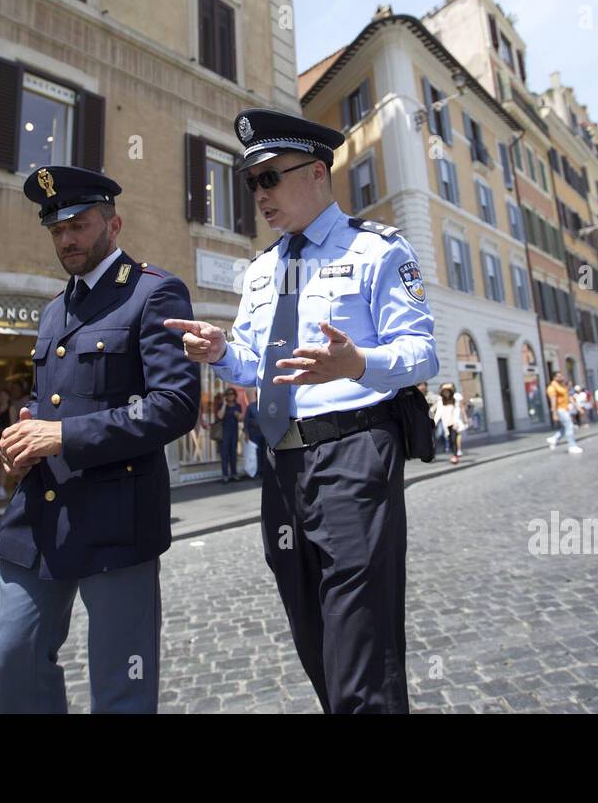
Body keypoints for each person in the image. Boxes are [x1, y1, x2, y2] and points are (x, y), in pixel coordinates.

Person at [164, 108, 438, 713]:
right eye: (251, 182)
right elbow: (251, 364)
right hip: (281, 464)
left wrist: (357, 364)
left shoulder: (377, 251)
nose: (259, 194)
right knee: (312, 630)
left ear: (316, 172)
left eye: (270, 178)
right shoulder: (261, 270)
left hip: (353, 453)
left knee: (359, 636)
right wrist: (219, 352)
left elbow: (421, 353)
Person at [0, 165, 200, 714]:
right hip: (39, 514)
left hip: (117, 516)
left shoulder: (154, 293)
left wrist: (61, 435)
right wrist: (24, 438)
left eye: (78, 225)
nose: (66, 240)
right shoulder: (55, 308)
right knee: (13, 654)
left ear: (114, 224)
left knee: (121, 683)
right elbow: (52, 401)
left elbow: (175, 406)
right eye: (57, 231)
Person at [546, 372, 582, 454]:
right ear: (554, 377)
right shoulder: (552, 388)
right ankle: (572, 446)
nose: (561, 377)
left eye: (561, 376)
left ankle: (554, 439)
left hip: (565, 408)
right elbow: (553, 401)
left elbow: (569, 397)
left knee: (566, 427)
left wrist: (578, 407)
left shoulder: (562, 386)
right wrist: (554, 413)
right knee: (569, 426)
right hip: (560, 409)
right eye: (559, 376)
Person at [433, 382, 466, 465]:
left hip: (453, 424)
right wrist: (434, 422)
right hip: (445, 424)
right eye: (444, 392)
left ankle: (455, 456)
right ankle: (454, 453)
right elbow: (438, 412)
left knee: (453, 439)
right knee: (449, 440)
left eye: (447, 392)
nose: (446, 393)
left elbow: (457, 411)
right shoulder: (441, 401)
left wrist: (455, 422)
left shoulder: (454, 400)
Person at [216, 387, 243, 482]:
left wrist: (237, 414)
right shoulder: (222, 405)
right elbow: (220, 416)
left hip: (234, 433)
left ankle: (234, 473)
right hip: (224, 433)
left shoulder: (237, 406)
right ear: (225, 396)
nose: (230, 396)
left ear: (235, 395)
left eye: (232, 394)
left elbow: (240, 419)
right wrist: (224, 404)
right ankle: (225, 475)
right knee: (224, 455)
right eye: (228, 394)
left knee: (233, 454)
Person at [242, 392, 266, 480]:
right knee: (256, 453)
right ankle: (257, 471)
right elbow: (246, 421)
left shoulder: (266, 406)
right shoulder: (250, 407)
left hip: (265, 433)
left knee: (264, 453)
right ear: (256, 395)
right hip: (254, 433)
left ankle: (264, 471)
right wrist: (246, 433)